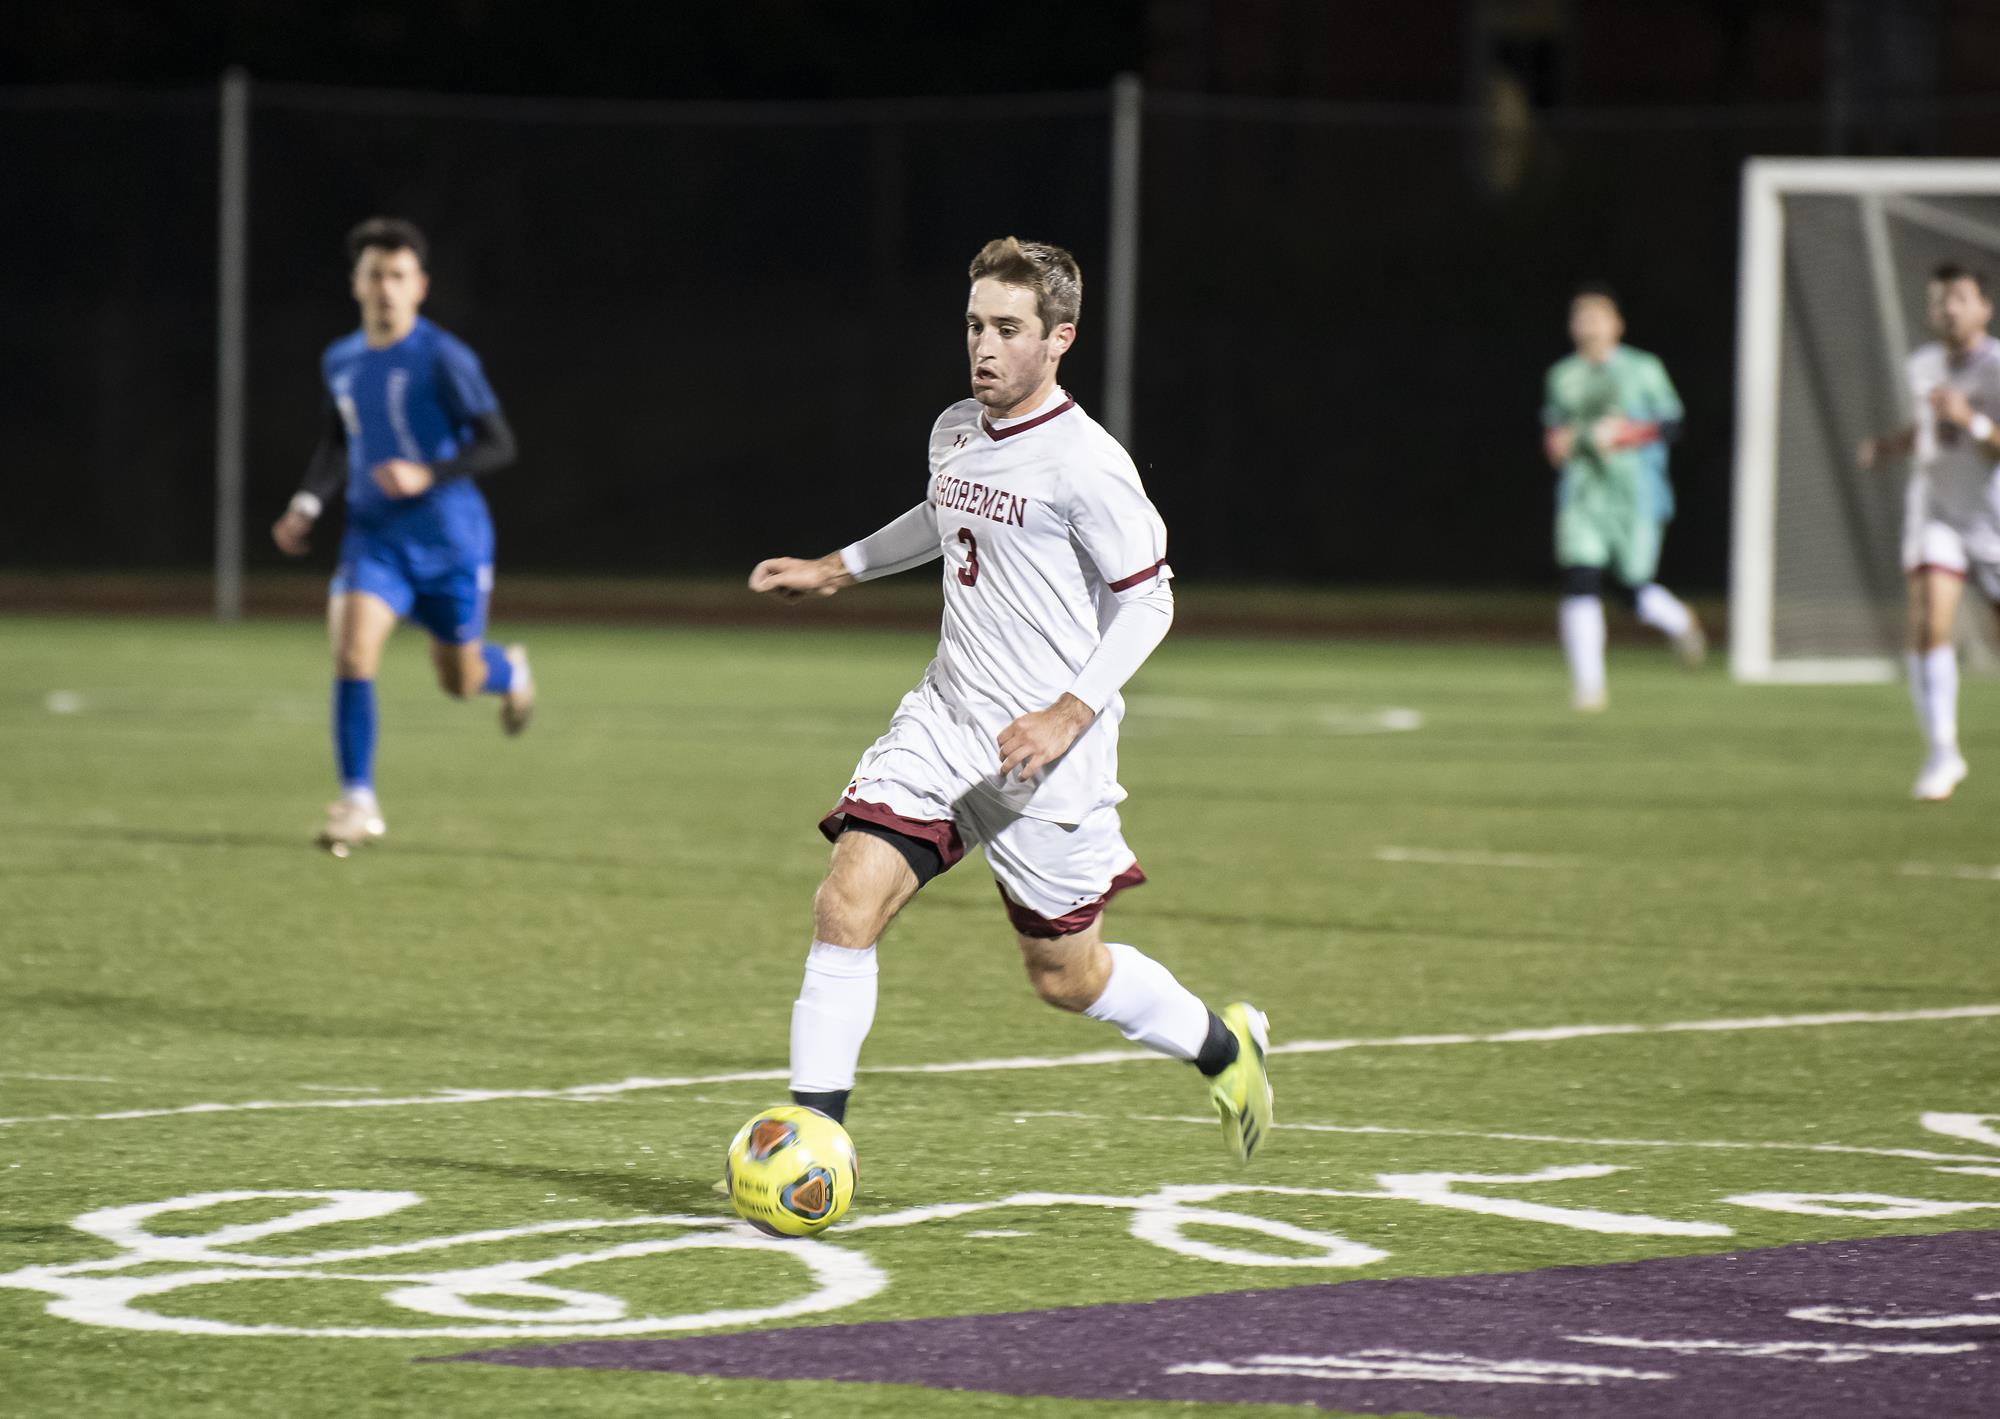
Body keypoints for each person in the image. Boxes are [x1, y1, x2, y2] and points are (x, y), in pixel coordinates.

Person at [747, 236, 1273, 1160]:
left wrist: (1070, 712)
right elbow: (942, 508)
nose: (983, 348)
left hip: (1047, 760)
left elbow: (1151, 597)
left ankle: (1227, 1049)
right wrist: (839, 568)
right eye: (974, 326)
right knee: (847, 900)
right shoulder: (955, 426)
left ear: (1059, 338)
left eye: (1007, 329)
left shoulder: (1088, 464)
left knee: (1065, 976)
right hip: (947, 720)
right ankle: (814, 1139)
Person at [270, 217, 533, 853]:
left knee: (460, 681)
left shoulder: (444, 357)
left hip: (451, 542)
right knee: (352, 654)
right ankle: (357, 800)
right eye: (375, 275)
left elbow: (500, 444)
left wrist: (429, 473)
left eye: (398, 275)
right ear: (356, 284)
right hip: (374, 538)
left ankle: (509, 671)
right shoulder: (341, 358)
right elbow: (340, 440)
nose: (386, 287)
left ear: (420, 286)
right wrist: (307, 502)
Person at [1858, 263, 2000, 802]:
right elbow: (1929, 431)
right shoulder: (1922, 365)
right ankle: (1942, 751)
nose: (1948, 308)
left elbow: (1982, 436)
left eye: (1959, 298)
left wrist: (1974, 421)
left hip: (1991, 514)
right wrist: (1888, 447)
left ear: (1984, 307)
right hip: (1934, 508)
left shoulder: (1997, 365)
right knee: (1926, 620)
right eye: (1939, 299)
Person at [1541, 282, 1705, 711]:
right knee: (1581, 579)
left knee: (1631, 589)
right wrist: (1565, 444)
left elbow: (1673, 425)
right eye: (1581, 318)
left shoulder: (1643, 368)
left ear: (1617, 325)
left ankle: (1678, 620)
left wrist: (1627, 434)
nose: (1588, 326)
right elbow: (1554, 438)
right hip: (1583, 494)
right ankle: (1589, 685)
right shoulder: (1562, 376)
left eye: (1597, 317)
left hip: (1635, 493)